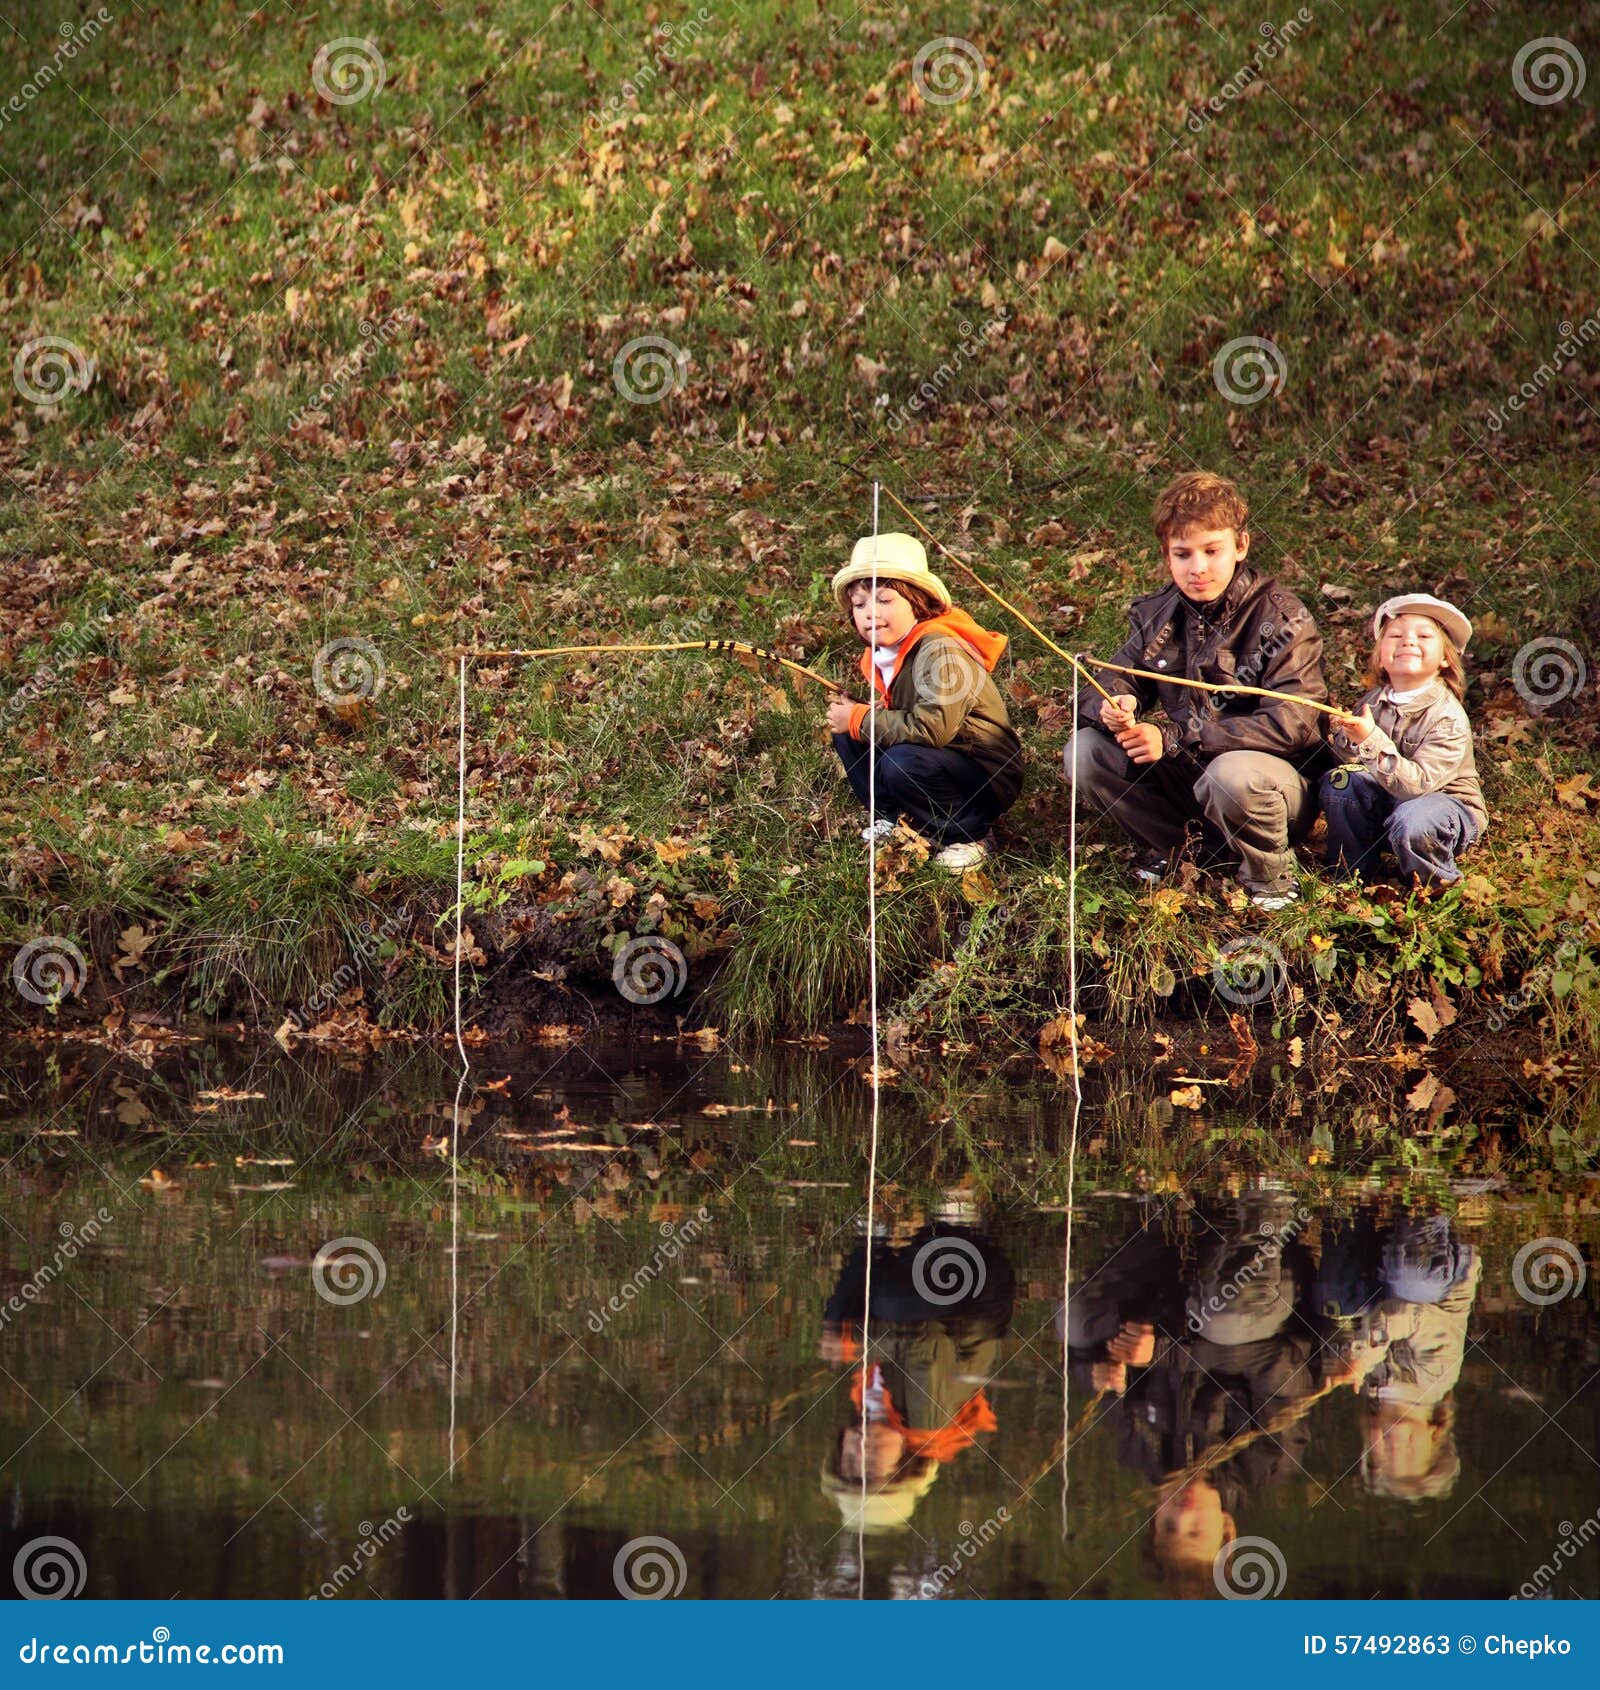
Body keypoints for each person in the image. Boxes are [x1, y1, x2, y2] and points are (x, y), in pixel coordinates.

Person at [1064, 471, 1329, 909]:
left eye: (1212, 550)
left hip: (1274, 789)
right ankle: (1182, 851)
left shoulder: (1284, 618)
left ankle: (1271, 876)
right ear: (1166, 555)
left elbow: (1293, 724)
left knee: (1230, 774)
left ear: (1240, 546)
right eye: (1183, 554)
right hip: (1195, 777)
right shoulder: (1158, 614)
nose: (1198, 567)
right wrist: (1113, 702)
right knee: (1085, 751)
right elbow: (1111, 677)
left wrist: (1173, 739)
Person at [825, 532, 1023, 873]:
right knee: (848, 733)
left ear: (917, 602)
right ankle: (896, 819)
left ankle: (969, 835)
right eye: (859, 605)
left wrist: (861, 718)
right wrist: (860, 718)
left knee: (900, 758)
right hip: (942, 759)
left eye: (884, 600)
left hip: (984, 773)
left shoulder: (939, 649)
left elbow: (932, 728)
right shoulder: (889, 651)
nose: (870, 614)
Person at [1320, 593, 1487, 888]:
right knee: (1341, 781)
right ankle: (1351, 872)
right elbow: (1351, 766)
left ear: (1446, 659)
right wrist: (1348, 739)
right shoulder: (1372, 702)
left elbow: (1418, 786)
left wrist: (1370, 739)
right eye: (1395, 635)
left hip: (1441, 810)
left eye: (1424, 636)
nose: (1408, 641)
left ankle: (1434, 884)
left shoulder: (1447, 715)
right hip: (1389, 805)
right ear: (1381, 657)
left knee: (1414, 816)